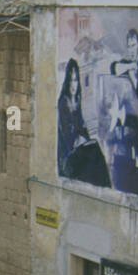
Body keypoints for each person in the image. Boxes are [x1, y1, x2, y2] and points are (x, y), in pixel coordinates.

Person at [57, 58, 111, 187]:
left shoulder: (76, 101)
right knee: (94, 152)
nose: (73, 85)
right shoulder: (64, 103)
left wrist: (86, 139)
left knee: (95, 148)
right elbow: (68, 137)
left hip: (77, 152)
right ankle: (105, 187)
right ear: (66, 82)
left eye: (75, 80)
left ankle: (105, 188)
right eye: (70, 80)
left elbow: (82, 128)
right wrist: (82, 139)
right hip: (67, 160)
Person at [109, 29, 138, 119]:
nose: (131, 50)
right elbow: (113, 68)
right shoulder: (124, 63)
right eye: (129, 46)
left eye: (133, 45)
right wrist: (131, 66)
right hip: (127, 111)